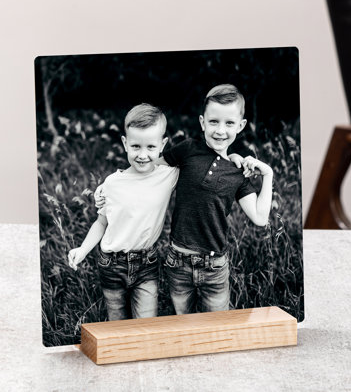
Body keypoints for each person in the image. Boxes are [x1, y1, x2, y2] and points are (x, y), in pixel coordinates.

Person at [158, 84, 274, 314]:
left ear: (240, 126)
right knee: (184, 323)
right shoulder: (188, 149)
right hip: (178, 260)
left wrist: (268, 175)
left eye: (229, 123)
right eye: (213, 122)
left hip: (215, 266)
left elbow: (260, 218)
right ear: (202, 122)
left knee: (219, 326)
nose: (220, 130)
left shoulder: (238, 172)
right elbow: (151, 171)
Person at [67, 103, 179, 320]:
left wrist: (235, 159)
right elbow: (101, 223)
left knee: (146, 325)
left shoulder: (168, 175)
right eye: (136, 146)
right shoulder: (112, 183)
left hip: (146, 264)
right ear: (125, 143)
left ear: (162, 145)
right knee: (117, 323)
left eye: (150, 147)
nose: (143, 155)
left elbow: (197, 160)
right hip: (111, 264)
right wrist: (82, 250)